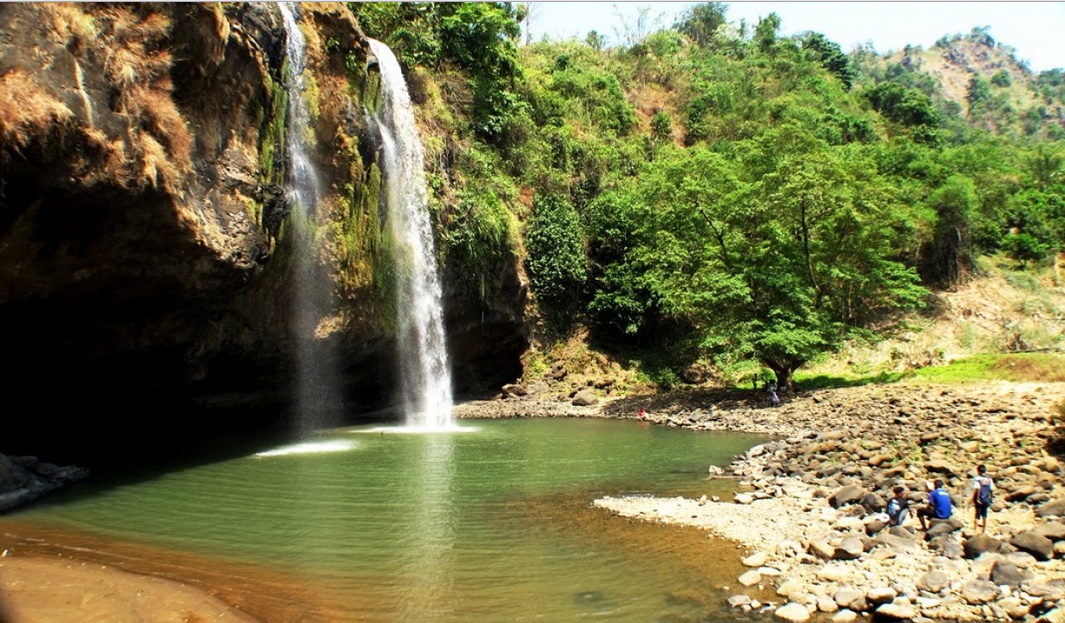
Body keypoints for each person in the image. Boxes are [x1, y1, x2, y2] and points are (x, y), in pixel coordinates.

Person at [971, 464, 994, 532]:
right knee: (985, 514)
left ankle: (975, 530)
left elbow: (977, 489)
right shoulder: (989, 479)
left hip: (979, 499)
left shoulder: (978, 479)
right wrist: (991, 498)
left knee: (977, 514)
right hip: (986, 499)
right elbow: (991, 489)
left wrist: (977, 498)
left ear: (978, 471)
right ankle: (984, 530)